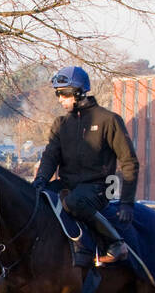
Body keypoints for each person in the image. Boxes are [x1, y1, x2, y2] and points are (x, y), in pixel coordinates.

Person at [33, 65, 139, 264]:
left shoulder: (109, 120)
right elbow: (50, 157)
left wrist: (127, 202)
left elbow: (129, 162)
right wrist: (40, 180)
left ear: (79, 91)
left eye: (64, 94)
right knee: (35, 198)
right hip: (68, 185)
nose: (60, 99)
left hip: (102, 187)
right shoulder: (60, 124)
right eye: (58, 94)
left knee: (74, 202)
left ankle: (116, 243)